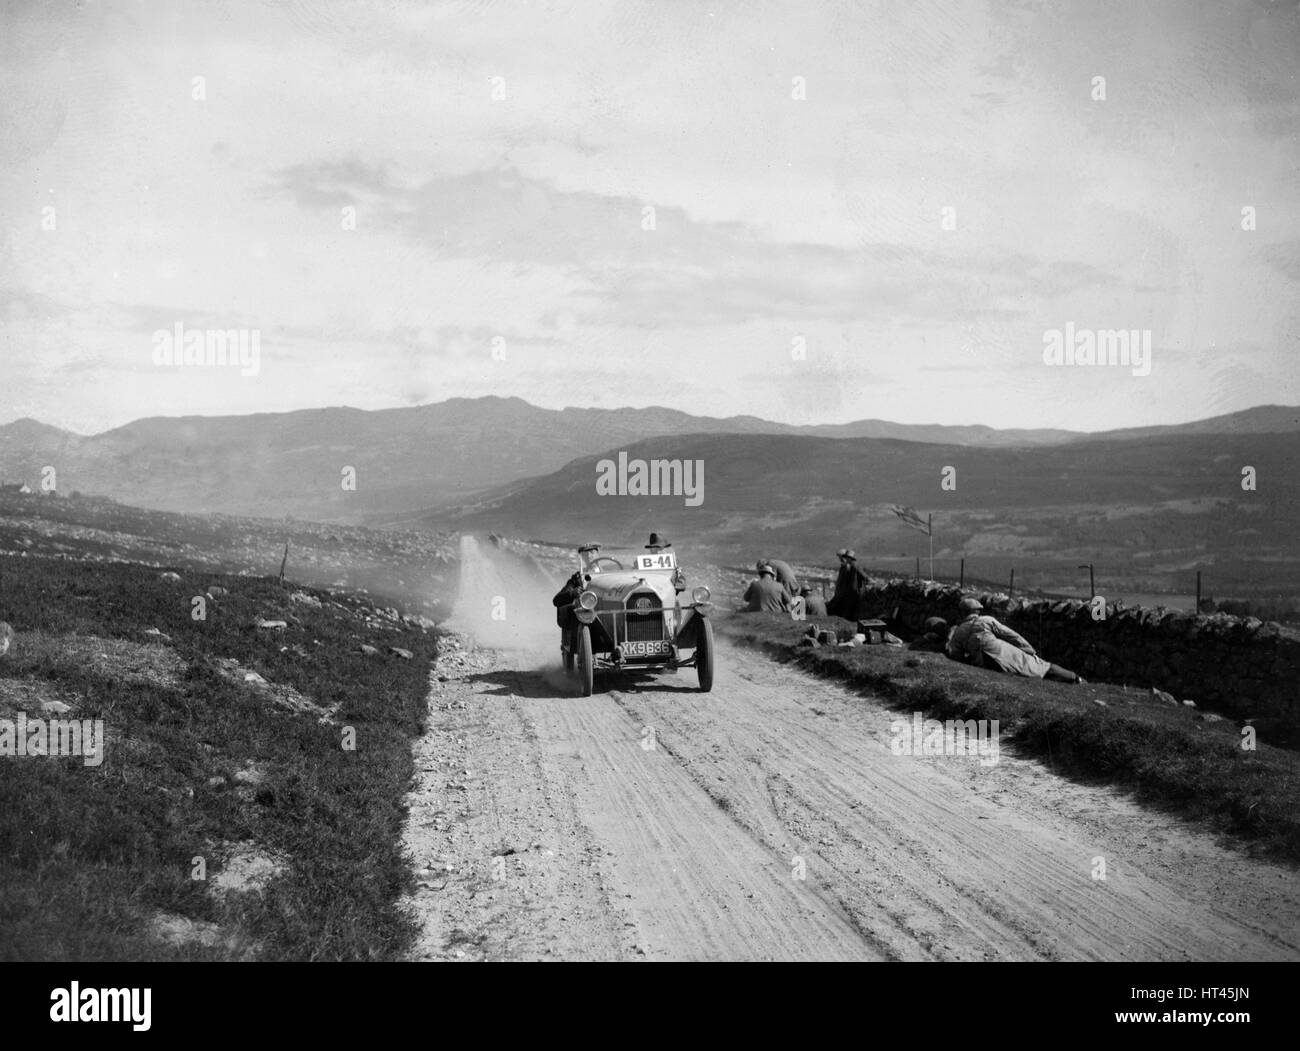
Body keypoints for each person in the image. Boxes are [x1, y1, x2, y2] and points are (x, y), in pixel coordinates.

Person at [945, 598, 1084, 683]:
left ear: (963, 613)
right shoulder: (986, 620)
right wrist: (1028, 649)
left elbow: (955, 654)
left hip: (983, 661)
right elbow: (1011, 635)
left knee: (1028, 670)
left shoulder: (959, 631)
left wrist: (971, 657)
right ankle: (1076, 678)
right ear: (976, 611)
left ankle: (1072, 679)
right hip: (1002, 651)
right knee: (1041, 666)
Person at [827, 549, 866, 620]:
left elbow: (846, 582)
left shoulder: (849, 567)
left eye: (841, 557)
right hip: (845, 592)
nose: (840, 559)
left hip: (847, 593)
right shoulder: (847, 567)